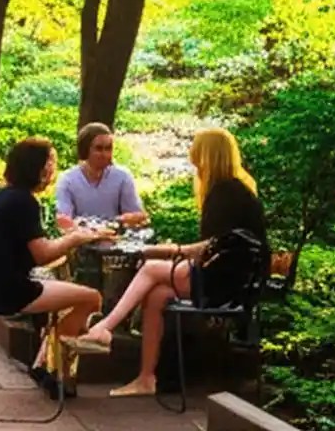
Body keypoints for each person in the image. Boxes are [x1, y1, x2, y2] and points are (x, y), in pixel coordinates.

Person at [68, 127, 267, 398]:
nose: (191, 155)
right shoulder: (238, 188)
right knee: (157, 295)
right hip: (239, 280)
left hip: (224, 282)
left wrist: (167, 250)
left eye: (196, 149)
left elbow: (210, 247)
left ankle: (104, 327)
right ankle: (147, 378)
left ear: (206, 154)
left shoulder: (224, 193)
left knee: (150, 268)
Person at [0, 137, 115, 396]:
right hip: (8, 293)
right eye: (50, 163)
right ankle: (57, 372)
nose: (53, 170)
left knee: (68, 301)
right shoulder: (23, 202)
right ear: (36, 168)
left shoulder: (6, 195)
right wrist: (77, 238)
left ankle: (43, 365)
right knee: (91, 298)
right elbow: (42, 255)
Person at [55, 122, 147, 231]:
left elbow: (138, 216)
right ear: (85, 150)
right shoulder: (68, 180)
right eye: (99, 149)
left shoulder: (122, 177)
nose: (104, 154)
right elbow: (63, 220)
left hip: (115, 241)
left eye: (108, 149)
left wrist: (123, 220)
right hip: (80, 242)